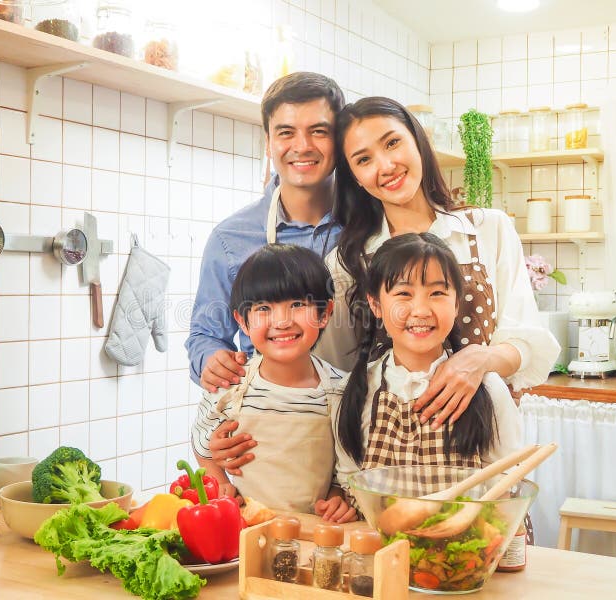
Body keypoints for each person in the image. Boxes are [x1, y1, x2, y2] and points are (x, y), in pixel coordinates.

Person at [314, 96, 559, 430]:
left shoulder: (488, 228)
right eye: (364, 159)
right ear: (355, 177)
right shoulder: (349, 261)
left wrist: (480, 360)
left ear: (418, 141)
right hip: (385, 449)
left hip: (482, 438)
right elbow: (333, 372)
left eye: (392, 142)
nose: (385, 166)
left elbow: (528, 341)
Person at [186, 72, 345, 394]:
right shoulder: (230, 239)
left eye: (318, 131)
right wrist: (212, 360)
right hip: (274, 415)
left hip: (365, 417)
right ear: (269, 142)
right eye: (286, 132)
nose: (302, 146)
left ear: (340, 139)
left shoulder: (376, 222)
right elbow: (205, 336)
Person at [330, 233, 522, 499]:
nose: (420, 310)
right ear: (375, 304)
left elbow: (505, 485)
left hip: (467, 539)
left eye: (437, 293)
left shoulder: (487, 388)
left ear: (456, 304)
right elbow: (351, 482)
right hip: (383, 539)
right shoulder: (352, 392)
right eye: (403, 293)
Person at [190, 244, 355, 523]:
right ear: (242, 321)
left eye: (298, 305)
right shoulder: (230, 385)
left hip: (312, 532)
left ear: (324, 313)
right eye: (264, 308)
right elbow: (202, 444)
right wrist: (219, 482)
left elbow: (344, 467)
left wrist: (338, 496)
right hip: (245, 527)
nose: (281, 321)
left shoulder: (341, 389)